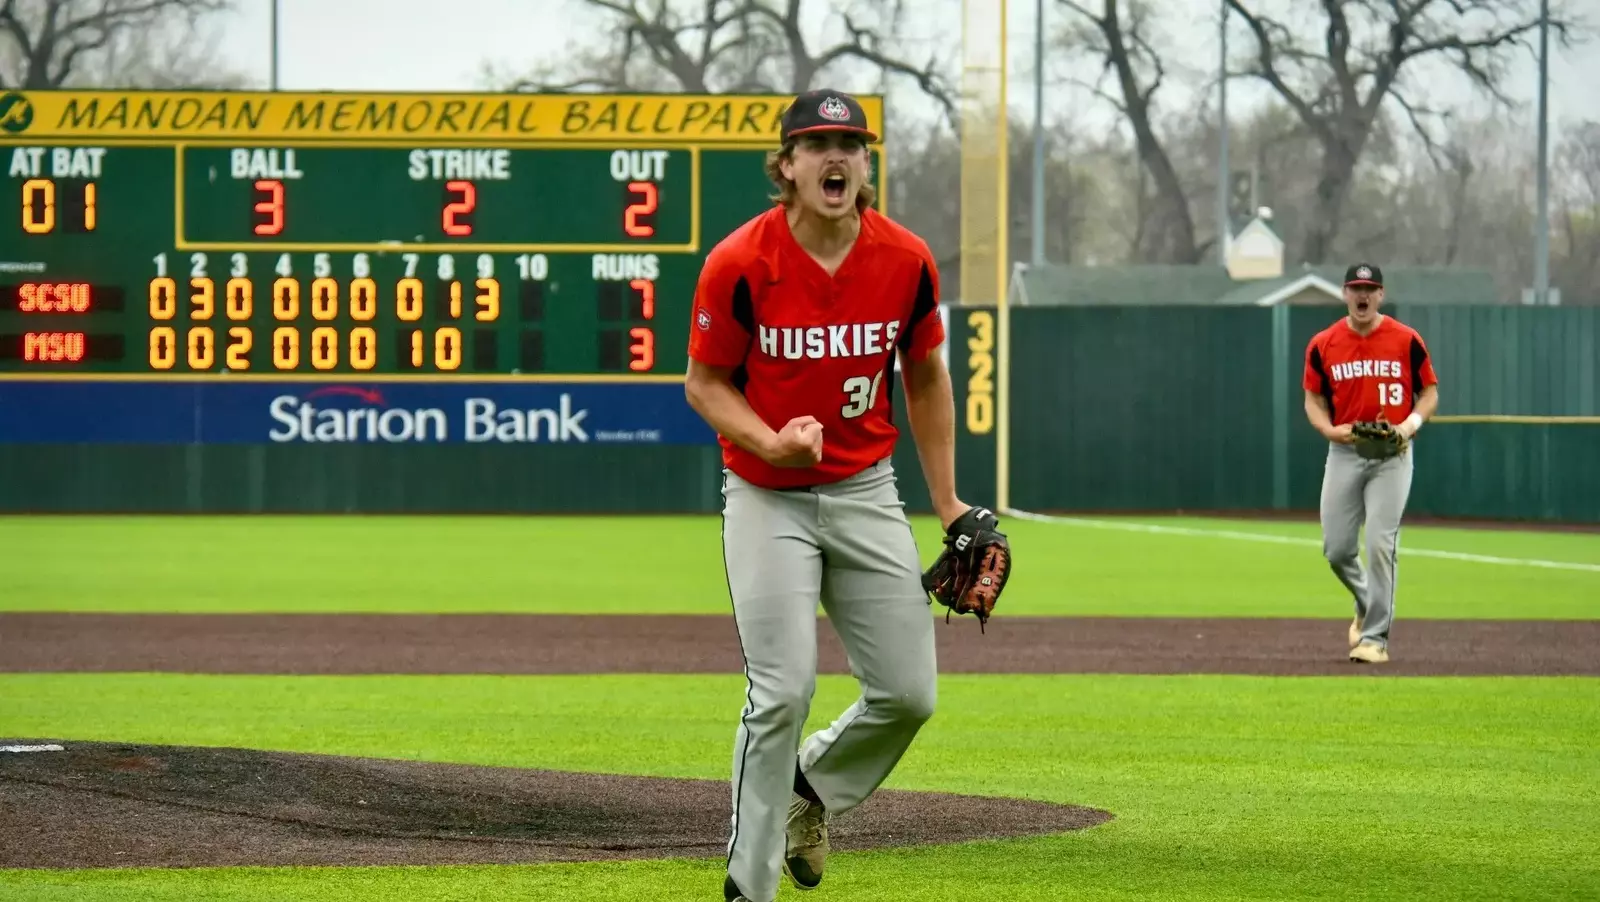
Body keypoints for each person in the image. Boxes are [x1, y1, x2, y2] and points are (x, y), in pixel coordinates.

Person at [683, 88, 975, 902]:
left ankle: (810, 790)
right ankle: (749, 885)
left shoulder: (906, 259)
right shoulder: (742, 261)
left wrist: (947, 503)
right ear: (786, 166)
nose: (834, 156)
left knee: (909, 694)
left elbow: (924, 375)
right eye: (815, 144)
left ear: (867, 163)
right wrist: (768, 439)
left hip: (864, 489)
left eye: (850, 143)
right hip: (766, 493)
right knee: (782, 691)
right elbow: (704, 385)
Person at [1301, 263, 1439, 664]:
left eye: (1370, 288)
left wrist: (1408, 426)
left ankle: (1375, 638)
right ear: (1345, 293)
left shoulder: (1406, 339)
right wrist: (1329, 431)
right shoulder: (1323, 343)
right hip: (1347, 450)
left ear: (1381, 294)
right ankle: (1366, 602)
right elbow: (1313, 399)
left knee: (1380, 542)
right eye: (1355, 287)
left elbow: (1429, 393)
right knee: (1337, 549)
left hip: (1392, 452)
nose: (1363, 294)